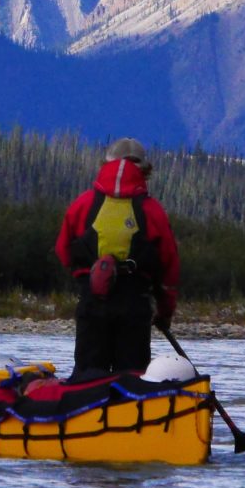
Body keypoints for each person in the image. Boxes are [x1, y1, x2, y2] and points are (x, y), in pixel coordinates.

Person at [53, 138, 180, 377]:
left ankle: (86, 395)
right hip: (135, 305)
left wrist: (91, 277)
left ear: (106, 165)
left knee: (88, 377)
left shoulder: (82, 204)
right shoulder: (153, 211)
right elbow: (169, 269)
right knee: (132, 378)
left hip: (92, 303)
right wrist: (165, 312)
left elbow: (63, 251)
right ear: (144, 171)